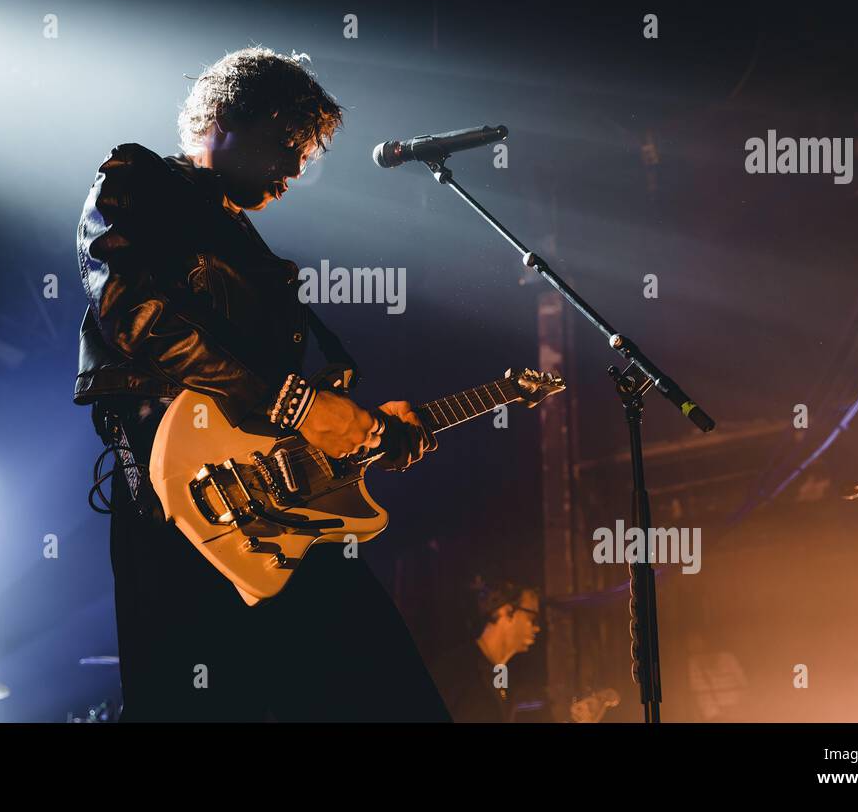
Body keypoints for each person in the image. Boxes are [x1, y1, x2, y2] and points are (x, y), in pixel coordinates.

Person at [74, 46, 448, 721]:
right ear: (223, 116)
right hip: (178, 505)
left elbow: (275, 415)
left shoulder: (257, 256)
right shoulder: (139, 180)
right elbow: (137, 316)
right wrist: (301, 404)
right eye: (288, 140)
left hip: (279, 515)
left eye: (306, 149)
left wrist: (363, 435)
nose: (300, 164)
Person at [432, 578, 541, 722]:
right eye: (532, 617)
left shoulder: (501, 675)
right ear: (506, 612)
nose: (537, 628)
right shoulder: (455, 671)